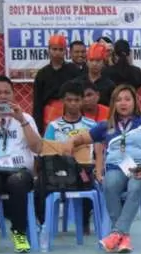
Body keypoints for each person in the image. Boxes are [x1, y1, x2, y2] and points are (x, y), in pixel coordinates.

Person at [65, 85, 141, 253]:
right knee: (109, 183)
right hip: (117, 168)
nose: (123, 103)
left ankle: (116, 233)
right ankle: (123, 238)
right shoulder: (106, 126)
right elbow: (83, 138)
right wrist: (71, 142)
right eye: (118, 100)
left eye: (127, 99)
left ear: (134, 102)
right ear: (113, 103)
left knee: (135, 184)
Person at [0, 76, 42, 253]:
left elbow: (38, 147)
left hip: (20, 172)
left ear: (13, 95)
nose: (3, 96)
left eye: (7, 92)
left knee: (17, 181)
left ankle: (19, 231)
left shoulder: (25, 118)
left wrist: (22, 121)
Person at [39, 80, 99, 229]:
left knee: (88, 178)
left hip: (83, 170)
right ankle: (44, 224)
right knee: (39, 184)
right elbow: (47, 150)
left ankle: (84, 220)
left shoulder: (92, 125)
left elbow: (99, 152)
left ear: (82, 101)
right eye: (69, 100)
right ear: (62, 101)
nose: (73, 104)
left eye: (77, 100)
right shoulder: (54, 126)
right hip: (58, 171)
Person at [32, 35, 81, 132]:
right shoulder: (42, 74)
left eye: (60, 49)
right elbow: (37, 103)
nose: (57, 52)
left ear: (65, 52)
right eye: (54, 49)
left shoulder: (74, 70)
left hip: (71, 110)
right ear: (48, 50)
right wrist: (38, 127)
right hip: (49, 115)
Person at [81, 43, 115, 107]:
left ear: (103, 63)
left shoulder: (110, 85)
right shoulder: (78, 82)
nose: (94, 64)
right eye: (91, 60)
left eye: (98, 61)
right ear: (86, 62)